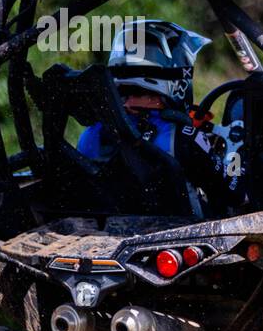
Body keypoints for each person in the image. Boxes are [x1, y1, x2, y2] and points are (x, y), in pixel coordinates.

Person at [77, 19, 244, 211]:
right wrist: (236, 154)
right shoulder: (182, 137)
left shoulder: (92, 133)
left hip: (111, 233)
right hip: (181, 236)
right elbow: (234, 194)